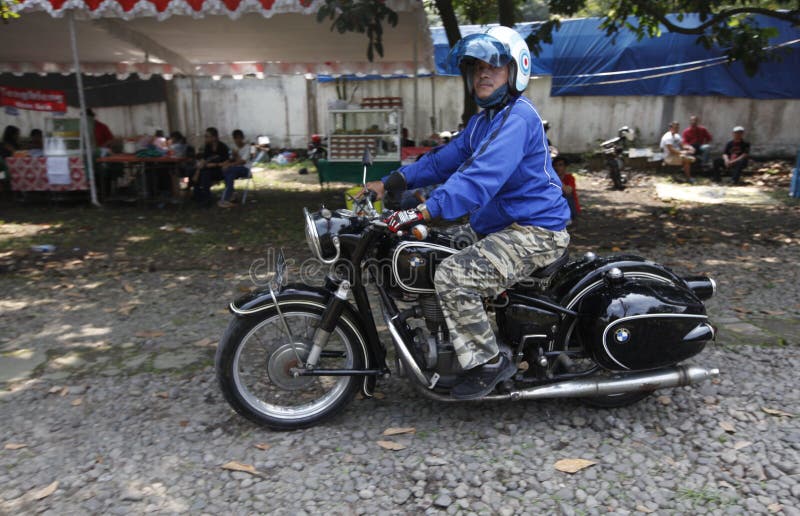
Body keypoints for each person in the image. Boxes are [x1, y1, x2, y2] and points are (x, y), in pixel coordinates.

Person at [366, 26, 570, 399]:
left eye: (495, 66)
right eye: (477, 67)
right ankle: (453, 338)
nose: (483, 73)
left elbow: (478, 181)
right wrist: (392, 181)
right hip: (500, 226)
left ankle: (487, 362)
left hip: (535, 232)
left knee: (454, 276)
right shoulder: (484, 122)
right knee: (428, 251)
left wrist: (424, 210)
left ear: (516, 70)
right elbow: (445, 160)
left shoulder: (518, 117)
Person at [193, 127, 230, 205]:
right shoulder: (207, 147)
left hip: (220, 171)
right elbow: (204, 160)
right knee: (194, 172)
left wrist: (214, 164)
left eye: (207, 136)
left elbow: (226, 162)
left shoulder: (222, 147)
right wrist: (198, 171)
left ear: (214, 137)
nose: (205, 138)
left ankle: (207, 199)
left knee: (205, 173)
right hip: (209, 169)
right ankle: (198, 196)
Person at [218, 129, 252, 208]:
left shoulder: (247, 147)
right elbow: (231, 159)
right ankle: (229, 197)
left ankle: (227, 197)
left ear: (242, 138)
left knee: (228, 170)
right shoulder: (233, 147)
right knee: (229, 174)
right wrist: (232, 158)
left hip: (245, 169)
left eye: (239, 138)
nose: (238, 140)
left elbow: (242, 162)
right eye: (236, 138)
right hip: (234, 169)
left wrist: (230, 164)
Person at [553, 155, 580, 221]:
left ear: (565, 167)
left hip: (570, 208)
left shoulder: (569, 178)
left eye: (560, 165)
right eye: (555, 165)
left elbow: (568, 191)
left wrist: (556, 179)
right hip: (556, 208)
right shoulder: (550, 179)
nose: (557, 168)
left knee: (566, 195)